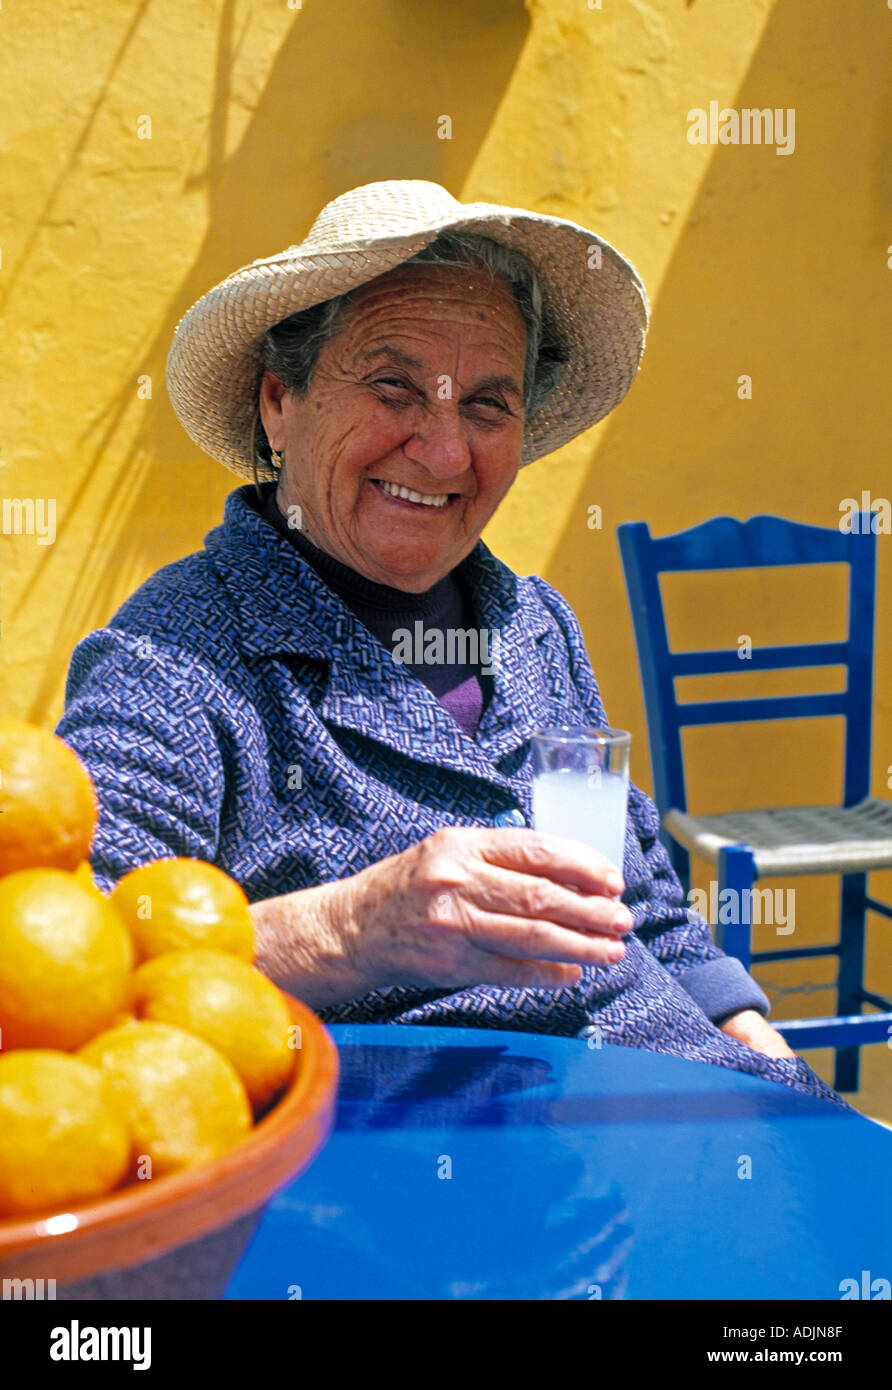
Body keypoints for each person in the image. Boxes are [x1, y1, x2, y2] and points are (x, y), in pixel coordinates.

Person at [56, 179, 850, 1110]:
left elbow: (641, 904)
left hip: (680, 1115)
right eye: (394, 386)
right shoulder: (177, 657)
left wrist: (772, 1068)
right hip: (423, 1184)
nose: (443, 452)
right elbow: (86, 974)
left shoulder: (534, 627)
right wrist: (353, 927)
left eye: (486, 405)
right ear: (281, 401)